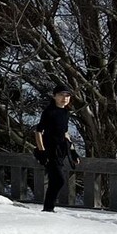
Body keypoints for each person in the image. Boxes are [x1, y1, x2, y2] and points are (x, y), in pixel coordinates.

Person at [33, 84, 79, 212]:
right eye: (61, 95)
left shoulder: (65, 112)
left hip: (61, 150)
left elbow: (65, 133)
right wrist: (41, 151)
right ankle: (48, 208)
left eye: (67, 95)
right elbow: (38, 131)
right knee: (58, 180)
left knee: (55, 180)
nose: (64, 98)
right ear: (54, 96)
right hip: (49, 150)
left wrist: (73, 152)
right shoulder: (49, 112)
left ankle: (48, 208)